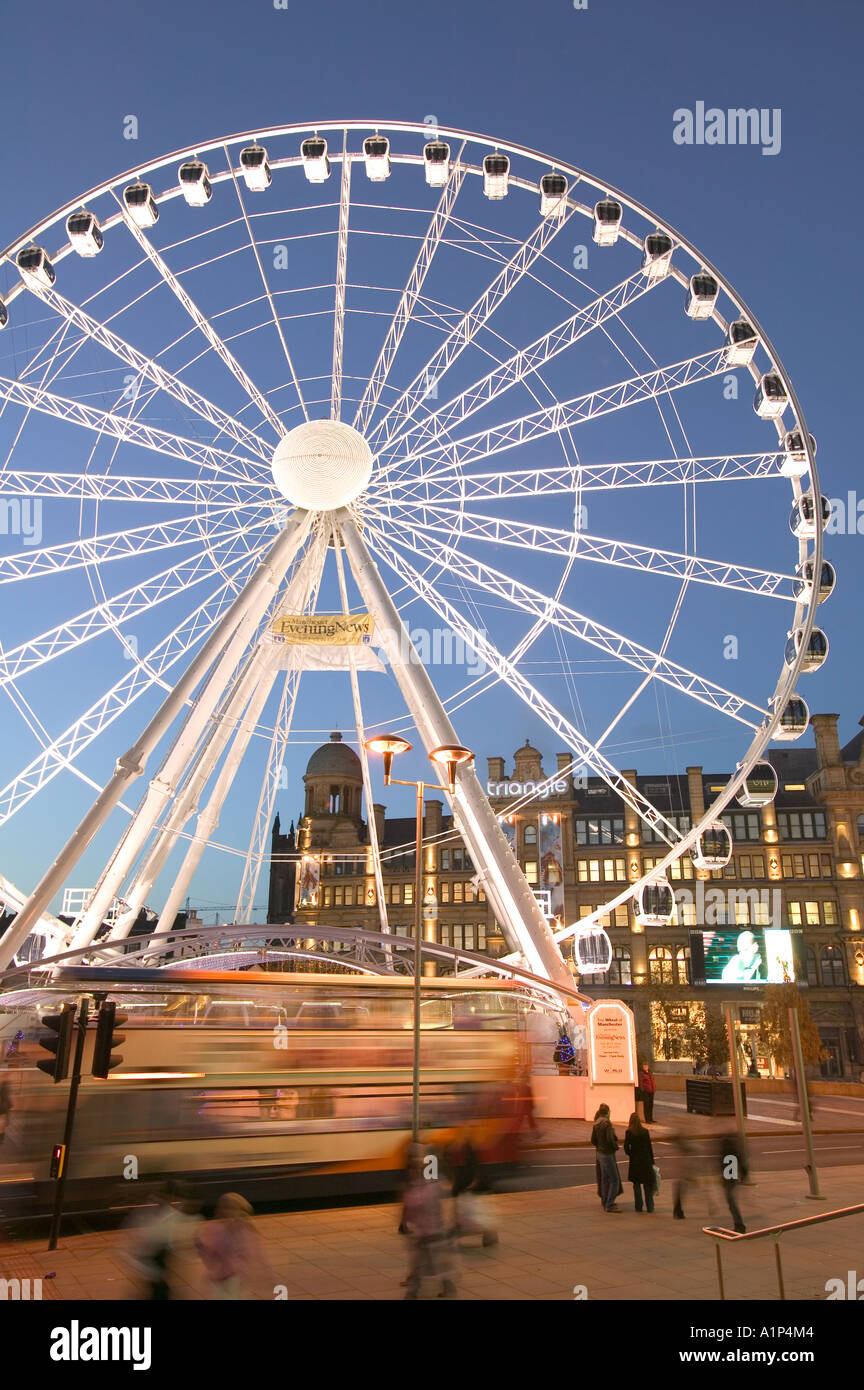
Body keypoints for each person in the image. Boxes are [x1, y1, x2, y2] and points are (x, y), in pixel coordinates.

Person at [124, 1181, 201, 1300]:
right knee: (159, 1290)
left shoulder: (164, 1210)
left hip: (154, 1260)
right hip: (152, 1259)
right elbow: (147, 1243)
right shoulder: (159, 1212)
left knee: (158, 1289)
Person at [401, 1146, 457, 1299]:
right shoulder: (426, 1186)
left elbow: (415, 1206)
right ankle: (415, 1291)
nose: (413, 1172)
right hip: (427, 1232)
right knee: (426, 1263)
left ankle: (413, 1292)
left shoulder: (426, 1188)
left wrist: (406, 1221)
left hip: (431, 1232)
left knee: (426, 1263)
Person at [196, 1192, 270, 1299]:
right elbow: (204, 1248)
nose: (228, 1212)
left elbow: (255, 1252)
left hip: (234, 1277)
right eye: (226, 1208)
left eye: (232, 1208)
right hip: (219, 1277)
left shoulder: (245, 1229)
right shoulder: (213, 1228)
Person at [590, 1104, 621, 1212]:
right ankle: (610, 1204)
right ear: (607, 1112)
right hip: (607, 1153)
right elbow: (610, 1139)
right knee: (614, 1180)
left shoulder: (596, 1123)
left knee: (604, 1179)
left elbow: (593, 1140)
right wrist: (615, 1146)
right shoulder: (607, 1124)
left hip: (600, 1153)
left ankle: (604, 1202)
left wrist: (599, 1146)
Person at [624, 1112, 656, 1213]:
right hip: (646, 1161)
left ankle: (638, 1206)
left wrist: (631, 1153)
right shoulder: (645, 1132)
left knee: (636, 1185)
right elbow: (649, 1147)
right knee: (647, 1185)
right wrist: (652, 1161)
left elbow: (626, 1148)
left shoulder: (629, 1132)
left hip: (635, 1162)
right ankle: (650, 1207)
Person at [717, 1133, 748, 1234]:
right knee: (731, 1202)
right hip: (733, 1179)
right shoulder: (734, 1151)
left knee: (732, 1203)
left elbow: (722, 1166)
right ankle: (738, 1224)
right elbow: (742, 1164)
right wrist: (743, 1176)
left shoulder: (724, 1151)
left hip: (728, 1180)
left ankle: (739, 1225)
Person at [670, 1131, 694, 1220]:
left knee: (678, 1195)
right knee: (680, 1195)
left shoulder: (677, 1150)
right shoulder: (682, 1152)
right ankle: (678, 1212)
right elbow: (685, 1165)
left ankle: (677, 1211)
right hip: (681, 1177)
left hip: (678, 1177)